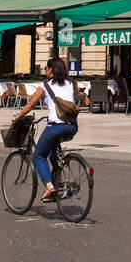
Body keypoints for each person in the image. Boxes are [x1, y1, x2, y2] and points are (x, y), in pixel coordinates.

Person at [14, 57, 80, 204]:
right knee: (52, 151)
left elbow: (30, 104)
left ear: (50, 70)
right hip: (72, 126)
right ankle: (59, 181)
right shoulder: (70, 84)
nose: (45, 71)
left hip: (55, 127)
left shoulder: (45, 85)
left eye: (46, 69)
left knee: (38, 155)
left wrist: (18, 117)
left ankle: (49, 186)